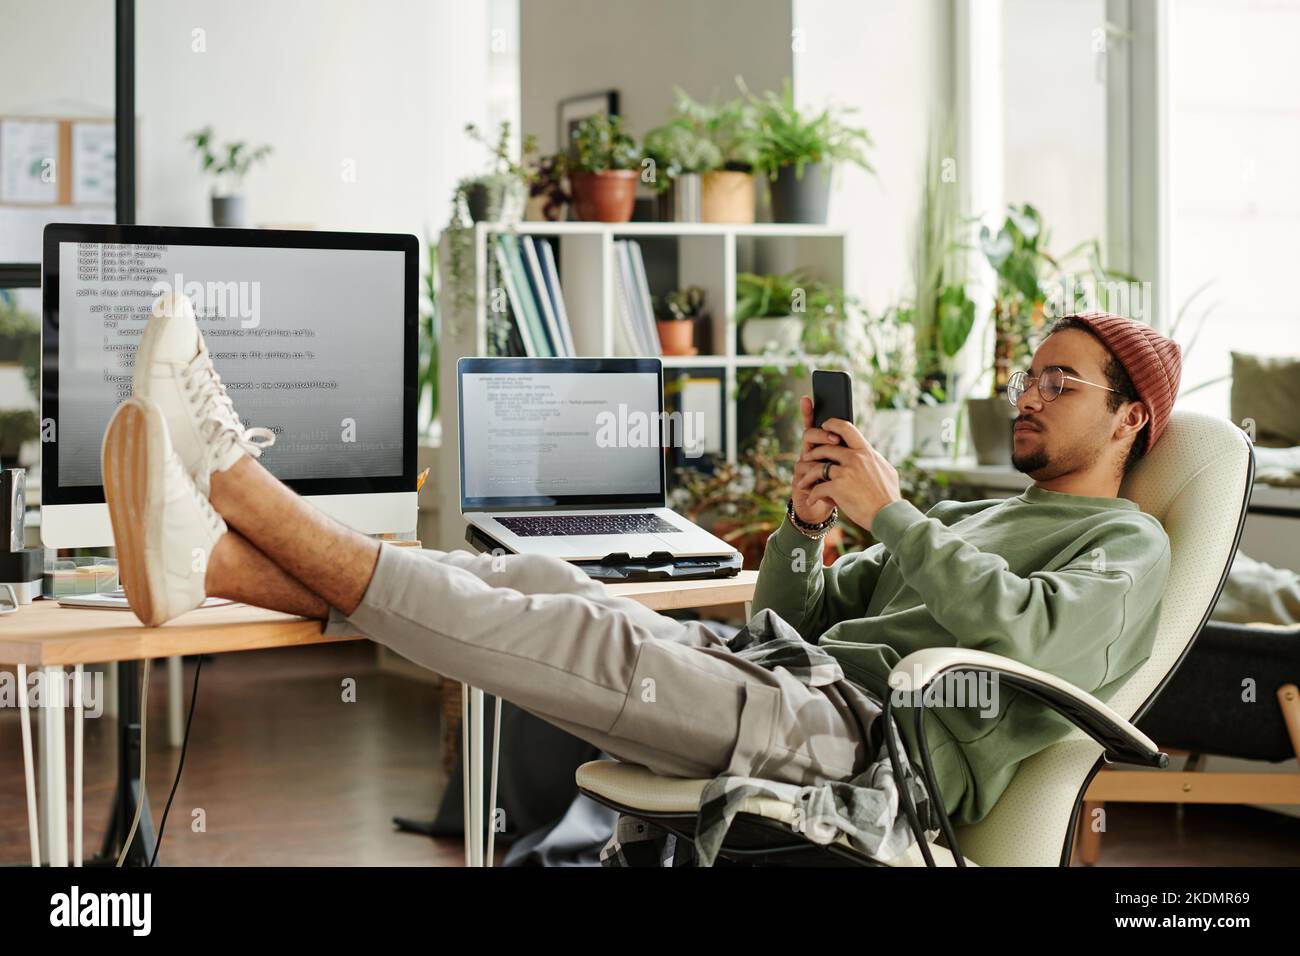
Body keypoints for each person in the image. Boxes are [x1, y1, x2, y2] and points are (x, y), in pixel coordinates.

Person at [102, 296, 1178, 830]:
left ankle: (236, 479)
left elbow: (1029, 636)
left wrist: (894, 517)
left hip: (872, 748)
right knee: (541, 581)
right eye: (1028, 376)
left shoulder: (1126, 543)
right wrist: (808, 531)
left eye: (1060, 383)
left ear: (1129, 416)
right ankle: (211, 561)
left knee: (580, 631)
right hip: (788, 679)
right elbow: (802, 610)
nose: (1026, 396)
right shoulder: (983, 518)